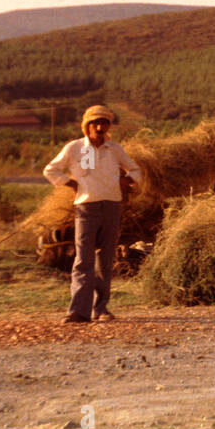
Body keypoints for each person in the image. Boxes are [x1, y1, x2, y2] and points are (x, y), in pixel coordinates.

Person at [43, 105, 141, 323]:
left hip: (112, 207)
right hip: (87, 208)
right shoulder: (75, 148)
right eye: (94, 123)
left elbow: (136, 171)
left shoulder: (114, 149)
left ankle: (101, 309)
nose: (99, 127)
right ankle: (78, 311)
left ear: (108, 126)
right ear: (86, 125)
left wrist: (125, 181)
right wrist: (70, 183)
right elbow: (50, 170)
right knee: (83, 260)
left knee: (105, 261)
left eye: (104, 123)